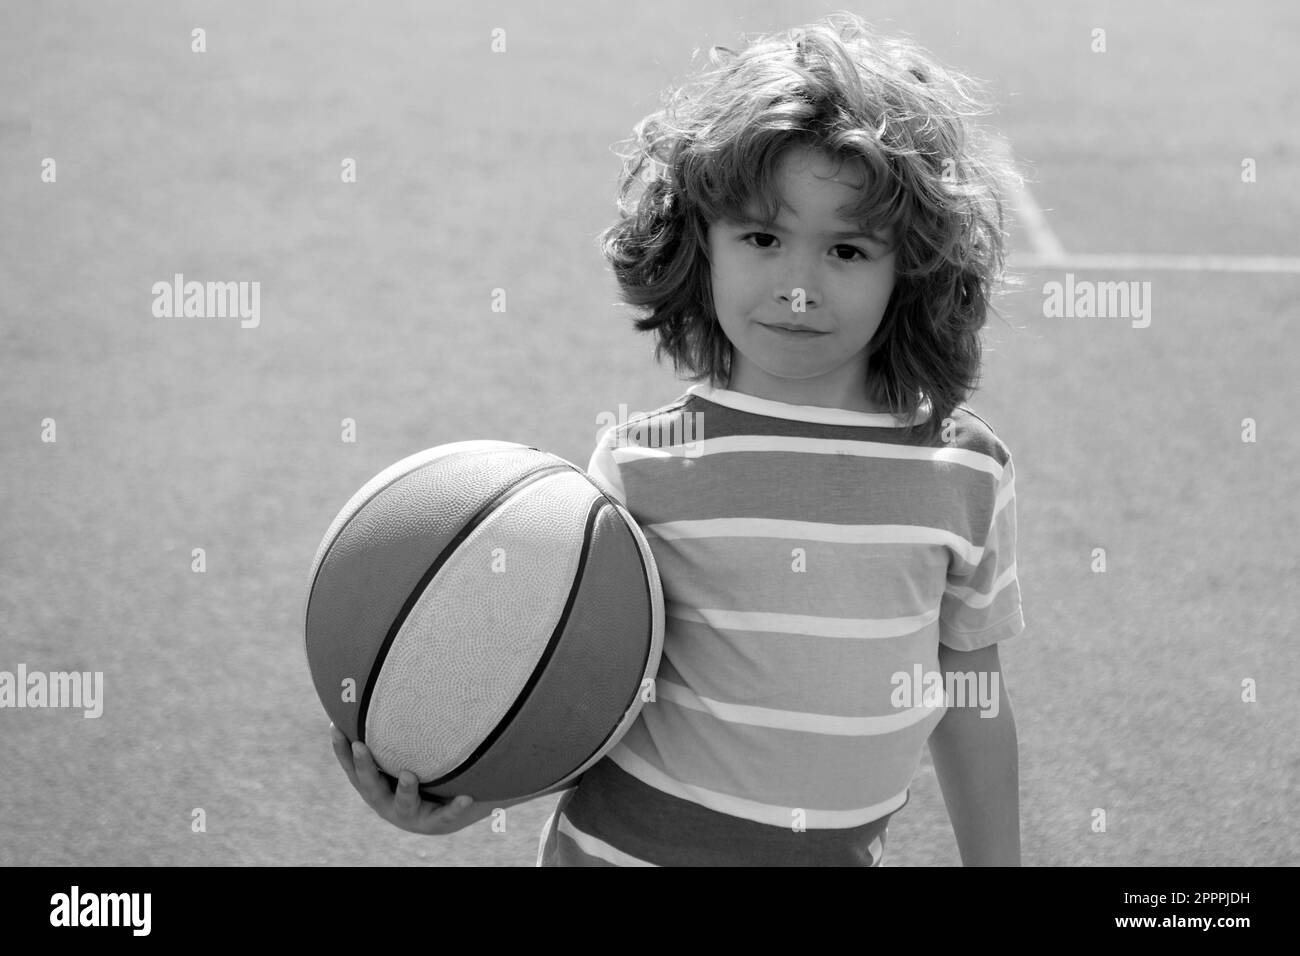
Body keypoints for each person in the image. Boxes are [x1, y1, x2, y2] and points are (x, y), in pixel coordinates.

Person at [336, 11, 1027, 866]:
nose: (799, 288)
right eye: (763, 238)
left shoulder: (961, 471)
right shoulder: (641, 468)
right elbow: (572, 688)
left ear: (912, 265)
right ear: (701, 242)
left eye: (847, 250)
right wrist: (465, 787)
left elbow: (969, 695)